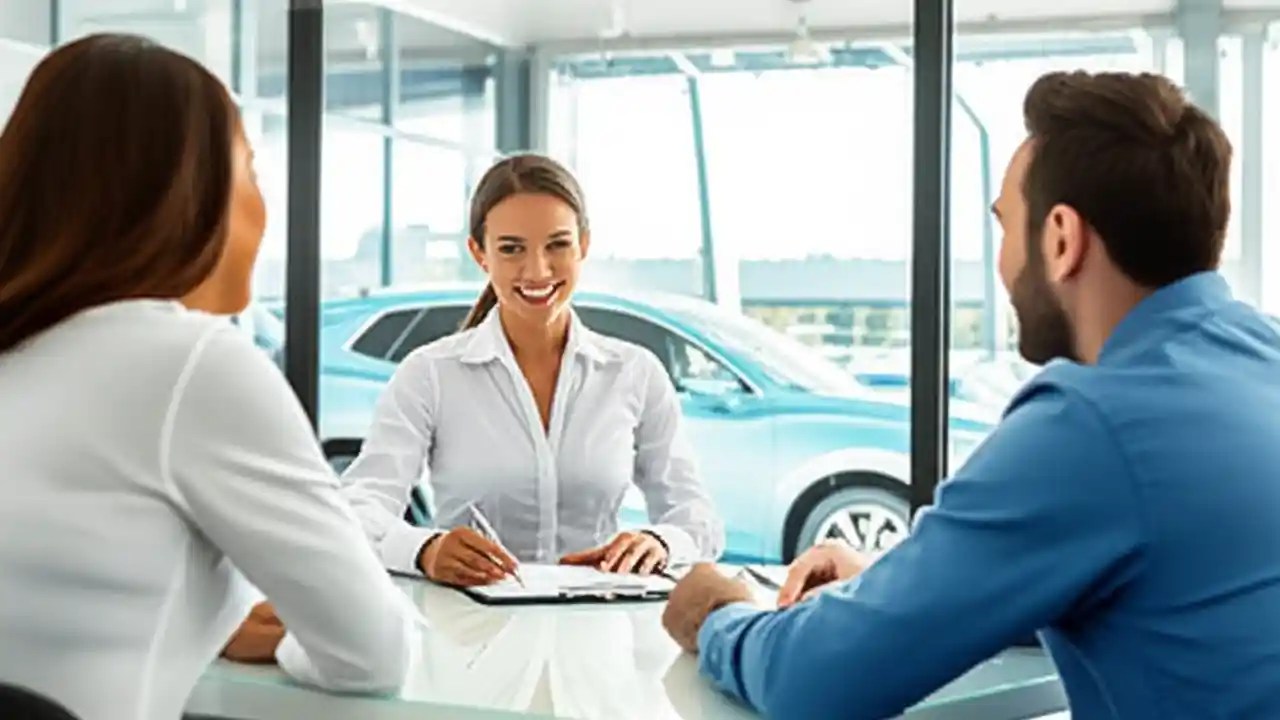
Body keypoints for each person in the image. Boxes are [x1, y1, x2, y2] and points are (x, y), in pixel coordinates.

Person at [661, 70, 1280, 718]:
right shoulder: (1263, 357)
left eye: (1006, 225)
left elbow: (810, 684)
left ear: (1062, 239)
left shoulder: (1093, 423)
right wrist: (896, 587)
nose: (1003, 259)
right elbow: (1159, 581)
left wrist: (718, 614)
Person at [0, 34, 419, 720]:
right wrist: (276, 643)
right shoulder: (187, 362)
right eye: (250, 169)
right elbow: (373, 652)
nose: (264, 204)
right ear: (182, 194)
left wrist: (216, 622)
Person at [340, 153, 724, 587]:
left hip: (597, 628)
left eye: (557, 245)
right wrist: (424, 550)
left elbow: (699, 521)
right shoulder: (429, 374)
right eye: (511, 249)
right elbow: (358, 509)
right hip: (469, 630)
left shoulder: (635, 373)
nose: (537, 270)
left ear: (584, 245)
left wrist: (662, 541)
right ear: (479, 254)